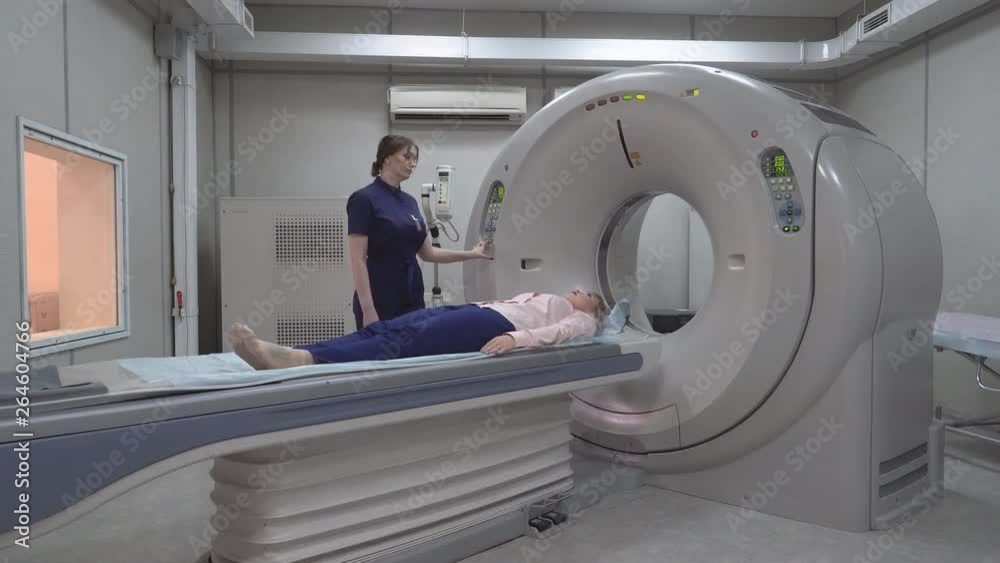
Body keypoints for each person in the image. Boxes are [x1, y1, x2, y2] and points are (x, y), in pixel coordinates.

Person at [228, 289, 610, 371]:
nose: (581, 291)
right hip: (476, 309)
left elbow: (557, 334)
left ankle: (302, 360)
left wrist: (517, 338)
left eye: (590, 294)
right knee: (381, 328)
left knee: (399, 343)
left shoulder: (584, 321)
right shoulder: (551, 294)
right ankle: (287, 350)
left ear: (596, 310)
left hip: (493, 325)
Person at [349, 135, 491, 330]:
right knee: (379, 357)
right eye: (406, 157)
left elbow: (428, 253)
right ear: (387, 157)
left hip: (411, 296)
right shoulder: (364, 199)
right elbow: (357, 259)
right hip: (380, 297)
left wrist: (472, 254)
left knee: (414, 356)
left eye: (415, 159)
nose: (412, 163)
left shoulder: (410, 202)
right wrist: (368, 310)